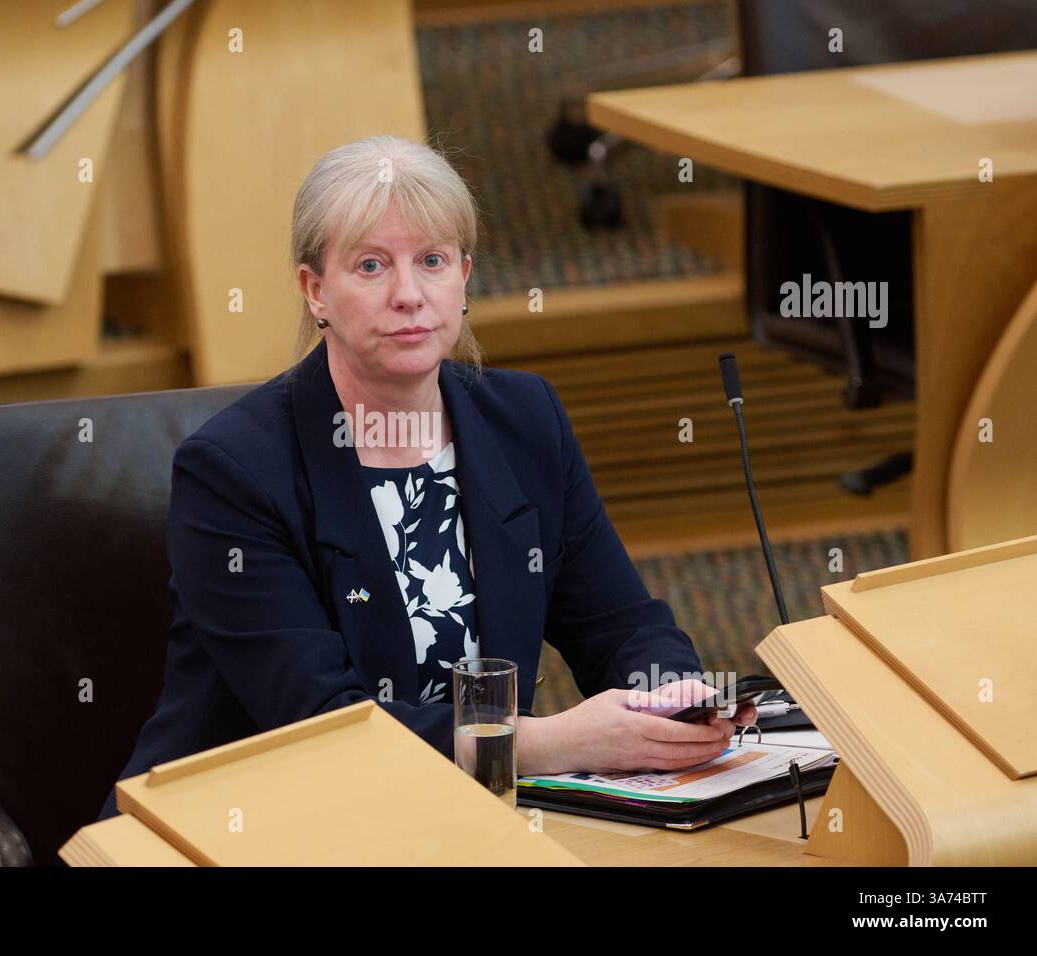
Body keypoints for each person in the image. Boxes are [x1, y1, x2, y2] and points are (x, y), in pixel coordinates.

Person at [98, 135, 753, 821]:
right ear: (315, 291)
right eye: (371, 266)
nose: (409, 295)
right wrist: (546, 743)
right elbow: (324, 728)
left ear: (464, 276)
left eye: (432, 261)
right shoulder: (232, 472)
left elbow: (618, 624)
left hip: (456, 815)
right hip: (246, 824)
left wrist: (675, 699)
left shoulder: (525, 419)